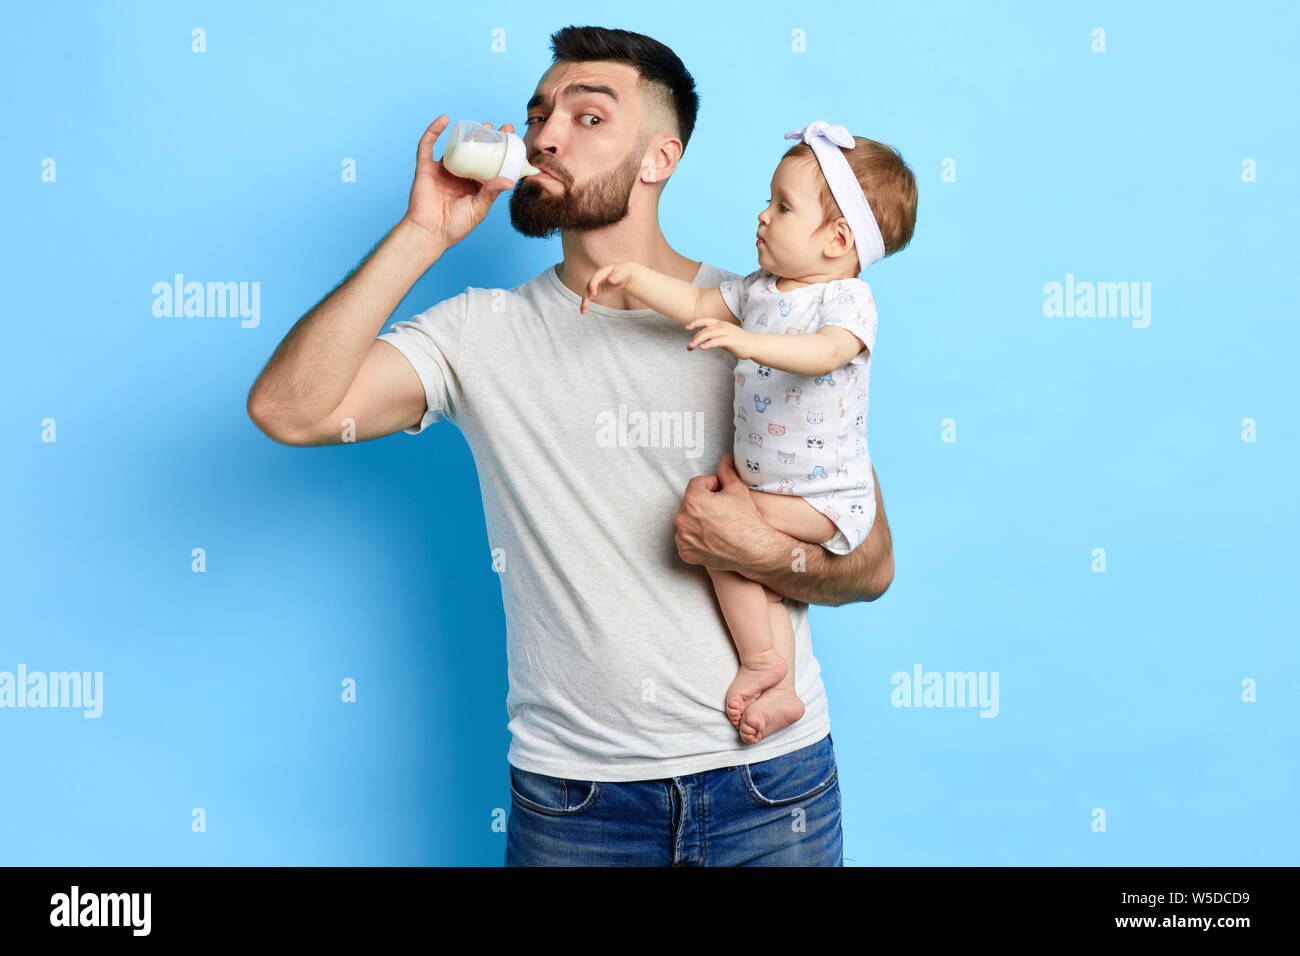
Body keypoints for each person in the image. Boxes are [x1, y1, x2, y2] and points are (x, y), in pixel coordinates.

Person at [246, 25, 895, 866]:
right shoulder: (480, 333)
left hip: (772, 787)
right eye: (540, 114)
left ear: (661, 158)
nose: (545, 135)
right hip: (576, 805)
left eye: (589, 118)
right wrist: (422, 235)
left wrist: (763, 551)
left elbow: (868, 563)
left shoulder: (761, 318)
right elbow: (289, 411)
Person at [578, 121, 916, 747]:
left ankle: (762, 662)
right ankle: (781, 688)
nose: (762, 216)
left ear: (837, 238)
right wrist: (634, 278)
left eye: (783, 207)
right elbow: (701, 306)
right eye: (768, 200)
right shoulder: (760, 291)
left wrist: (745, 341)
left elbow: (823, 354)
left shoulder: (846, 301)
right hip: (772, 484)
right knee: (745, 557)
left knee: (715, 531)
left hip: (827, 496)